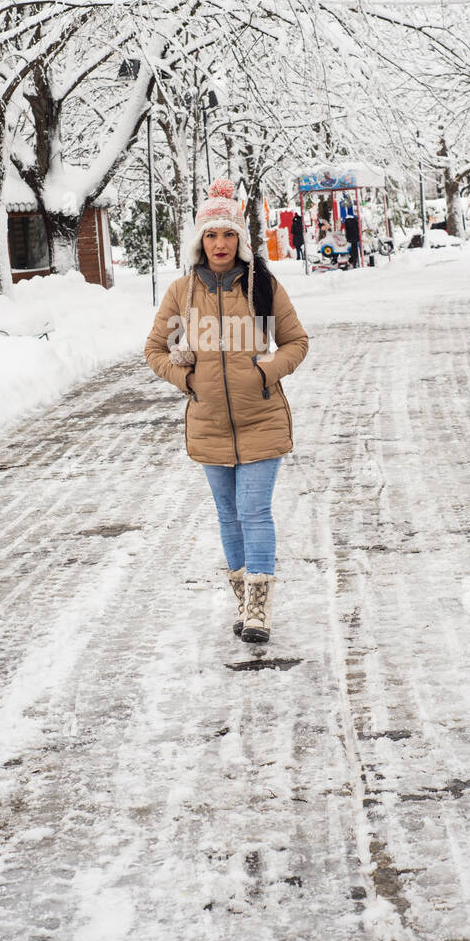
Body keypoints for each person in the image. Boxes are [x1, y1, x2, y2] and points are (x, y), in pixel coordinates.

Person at [144, 178, 309, 644]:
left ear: (241, 239)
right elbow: (155, 350)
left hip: (261, 418)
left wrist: (264, 373)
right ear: (201, 241)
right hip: (209, 423)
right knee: (228, 515)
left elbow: (297, 342)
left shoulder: (262, 288)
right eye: (212, 235)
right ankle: (243, 600)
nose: (220, 244)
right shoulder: (182, 294)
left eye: (229, 234)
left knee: (254, 510)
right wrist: (187, 379)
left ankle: (258, 610)